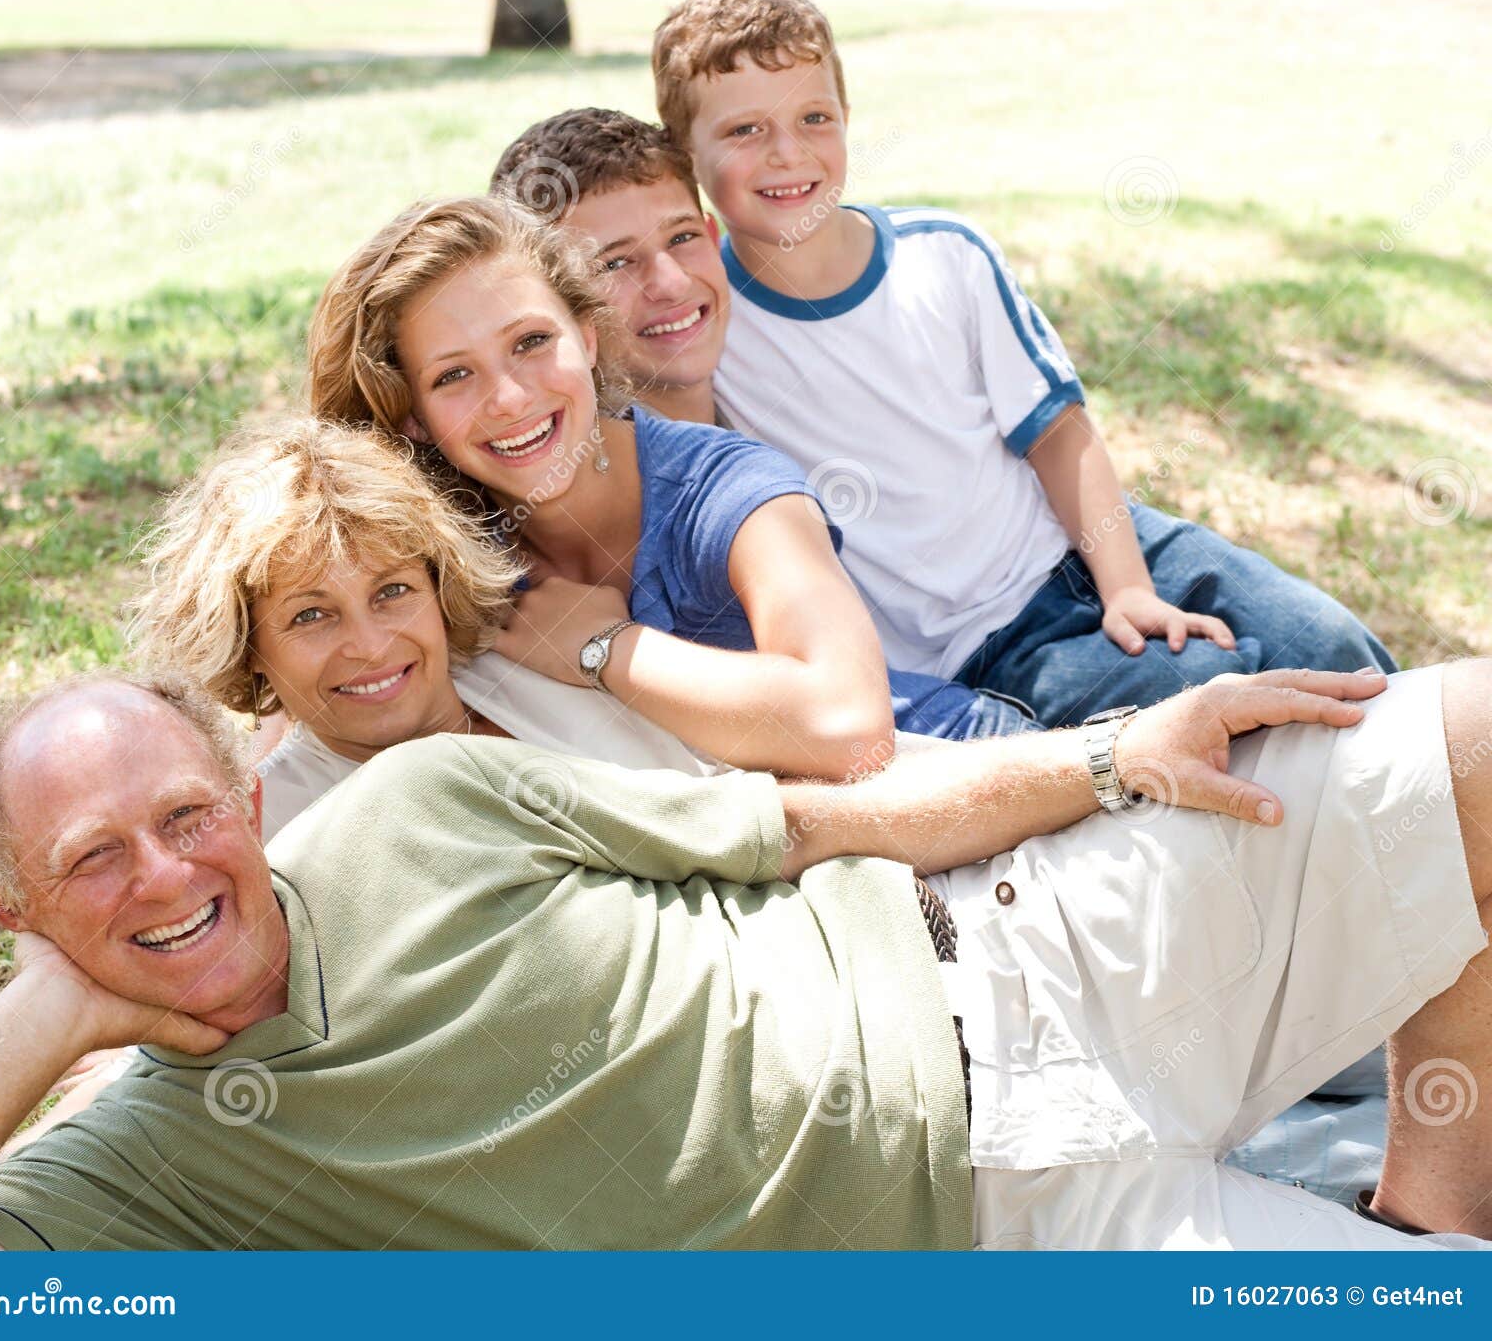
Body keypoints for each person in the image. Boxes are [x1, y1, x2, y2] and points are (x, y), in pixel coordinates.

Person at [486, 103, 1394, 1204]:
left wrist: (1109, 581)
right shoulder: (556, 479)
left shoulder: (777, 363)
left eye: (684, 240)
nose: (671, 284)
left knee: (1331, 729)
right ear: (564, 311)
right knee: (1302, 954)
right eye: (615, 266)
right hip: (937, 786)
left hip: (992, 701)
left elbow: (1011, 437)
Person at [0, 659, 1492, 1249]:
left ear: (245, 796)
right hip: (1018, 1232)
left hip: (1020, 955)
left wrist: (1106, 761)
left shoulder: (421, 800)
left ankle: (1431, 1205)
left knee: (1470, 739)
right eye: (91, 860)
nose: (168, 873)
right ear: (14, 912)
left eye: (184, 815)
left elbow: (806, 822)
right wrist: (51, 1012)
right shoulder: (140, 1176)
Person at [643, 0, 1395, 729]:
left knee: (1331, 648)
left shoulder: (945, 255)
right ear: (685, 158)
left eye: (815, 118)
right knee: (1226, 698)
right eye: (745, 129)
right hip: (984, 645)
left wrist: (1126, 584)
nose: (788, 152)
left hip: (1106, 543)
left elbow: (1060, 434)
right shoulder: (702, 327)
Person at [306, 196, 1036, 782]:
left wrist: (602, 646)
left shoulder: (730, 489)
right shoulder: (441, 544)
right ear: (416, 419)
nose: (508, 397)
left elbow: (849, 726)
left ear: (588, 337)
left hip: (966, 765)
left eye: (531, 342)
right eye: (453, 375)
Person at [127, 412, 719, 843]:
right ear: (249, 647)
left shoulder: (554, 660)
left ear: (440, 588)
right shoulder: (273, 832)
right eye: (310, 615)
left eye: (392, 592)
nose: (371, 645)